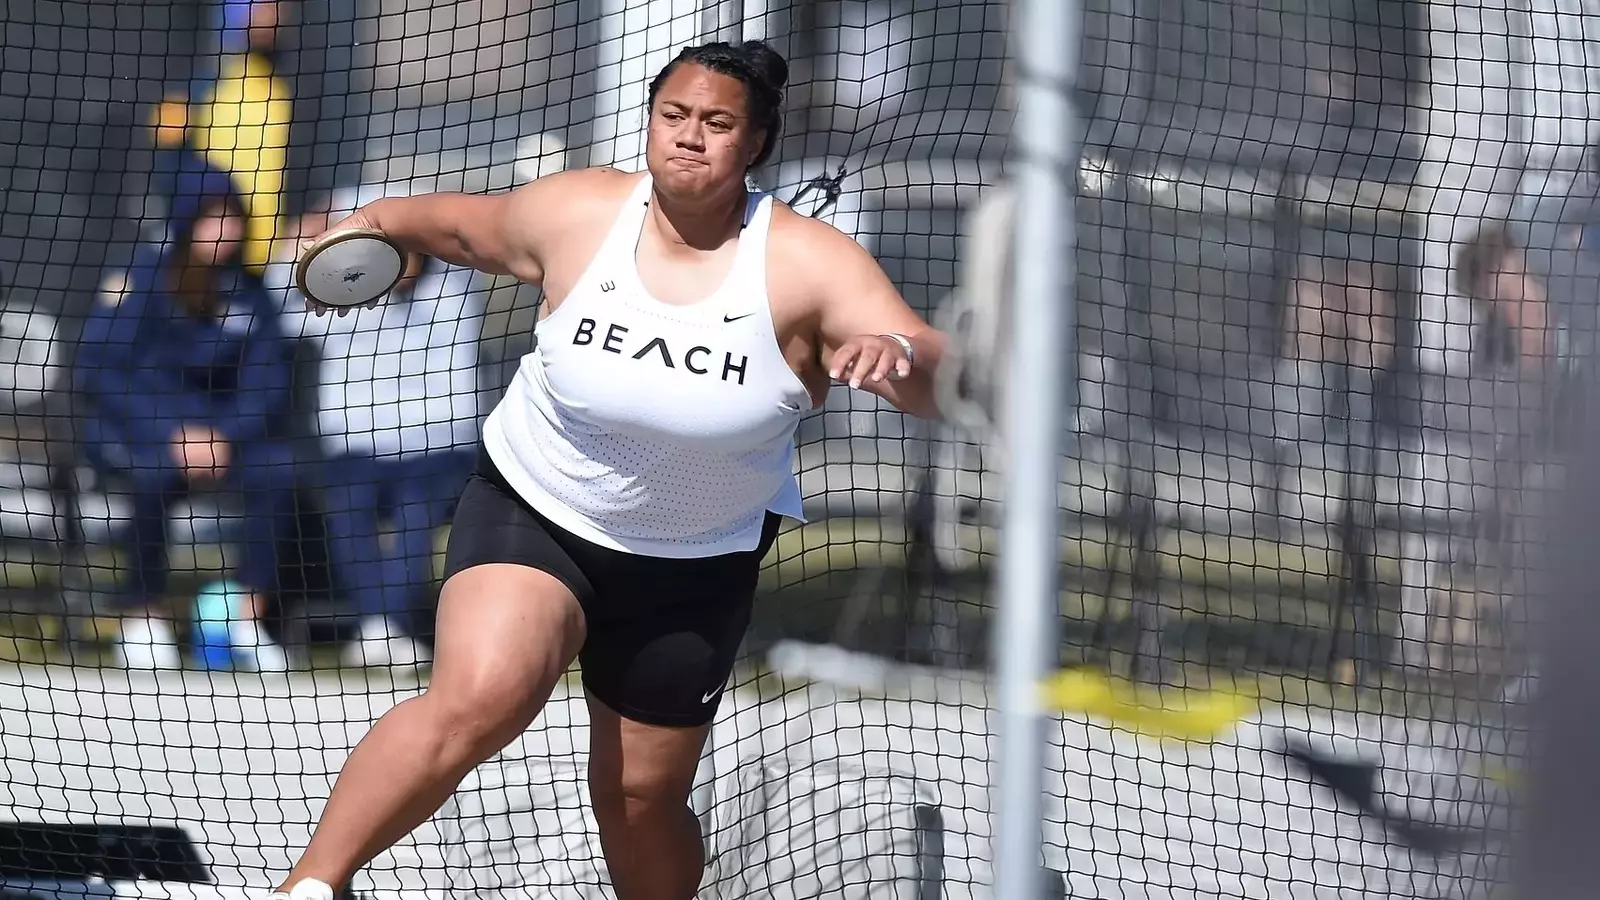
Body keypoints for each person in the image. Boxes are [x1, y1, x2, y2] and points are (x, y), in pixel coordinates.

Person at [267, 39, 947, 900]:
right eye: (673, 115)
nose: (689, 136)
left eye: (717, 123)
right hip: (538, 512)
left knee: (637, 798)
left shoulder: (807, 262)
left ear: (755, 143)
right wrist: (368, 230)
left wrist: (898, 355)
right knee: (481, 699)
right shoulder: (579, 211)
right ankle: (311, 887)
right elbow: (460, 226)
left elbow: (930, 365)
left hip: (694, 565)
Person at [76, 150, 299, 671]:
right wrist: (171, 434)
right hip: (140, 438)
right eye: (211, 218)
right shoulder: (141, 281)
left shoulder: (250, 293)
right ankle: (143, 614)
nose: (224, 231)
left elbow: (267, 382)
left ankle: (247, 617)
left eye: (232, 219)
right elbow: (100, 371)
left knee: (279, 470)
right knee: (150, 478)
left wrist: (224, 435)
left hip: (223, 444)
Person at [268, 183, 488, 669]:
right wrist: (308, 233)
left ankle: (384, 625)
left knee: (415, 510)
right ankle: (381, 628)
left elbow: (447, 216)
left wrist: (353, 204)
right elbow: (277, 302)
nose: (403, 262)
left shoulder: (452, 291)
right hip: (356, 453)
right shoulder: (338, 300)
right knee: (350, 511)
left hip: (438, 450)